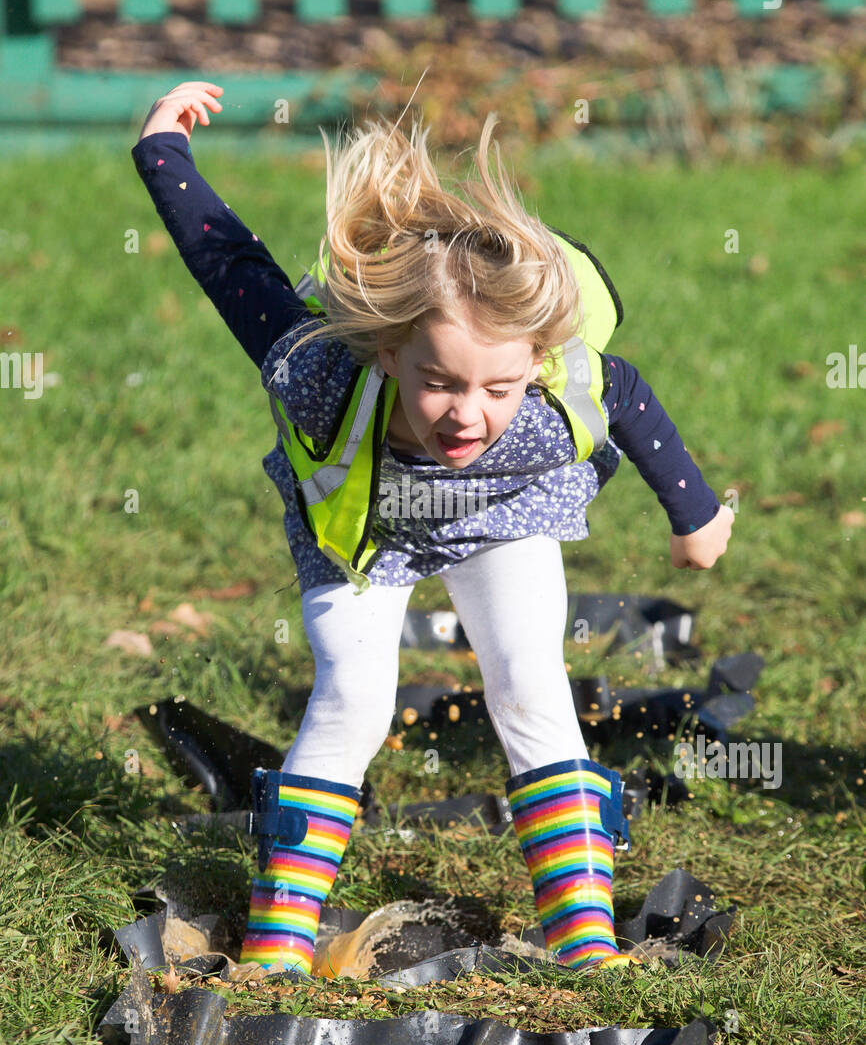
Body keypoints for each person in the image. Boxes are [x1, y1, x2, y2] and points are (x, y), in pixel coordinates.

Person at [132, 80, 734, 978]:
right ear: (390, 352)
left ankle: (583, 936)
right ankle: (278, 944)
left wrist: (694, 516)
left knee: (531, 683)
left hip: (501, 521)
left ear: (532, 366)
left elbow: (632, 397)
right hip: (363, 537)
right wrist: (163, 154)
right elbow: (234, 271)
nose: (467, 413)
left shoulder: (541, 405)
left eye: (496, 387)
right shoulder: (327, 379)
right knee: (353, 700)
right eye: (439, 382)